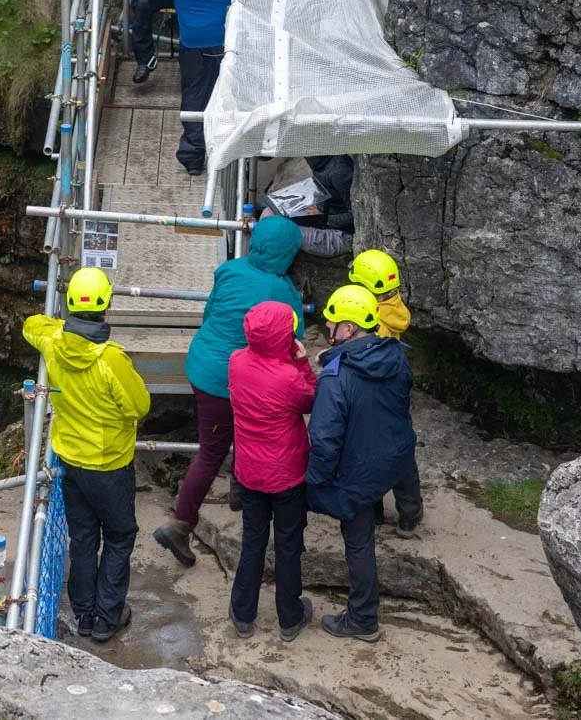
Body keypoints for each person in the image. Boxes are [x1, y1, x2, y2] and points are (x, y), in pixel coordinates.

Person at [153, 216, 304, 566]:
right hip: (229, 379)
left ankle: (239, 490)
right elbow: (293, 332)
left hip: (204, 361)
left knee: (237, 429)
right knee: (212, 452)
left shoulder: (230, 269)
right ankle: (180, 524)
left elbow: (209, 312)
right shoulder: (280, 291)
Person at [22, 266, 151, 642]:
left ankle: (84, 615)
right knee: (119, 535)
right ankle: (109, 617)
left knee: (82, 539)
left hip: (70, 460)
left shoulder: (55, 343)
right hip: (110, 464)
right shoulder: (110, 359)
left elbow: (32, 325)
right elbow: (138, 406)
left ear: (68, 303)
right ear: (107, 304)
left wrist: (56, 326)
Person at [306, 284, 420, 642]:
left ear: (349, 329)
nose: (328, 328)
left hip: (358, 467)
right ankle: (404, 515)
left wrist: (315, 483)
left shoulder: (336, 378)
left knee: (358, 542)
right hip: (394, 455)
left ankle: (363, 619)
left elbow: (324, 440)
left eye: (333, 323)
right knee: (368, 505)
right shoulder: (395, 353)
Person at [227, 301, 317, 641]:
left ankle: (243, 613)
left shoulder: (236, 363)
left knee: (253, 540)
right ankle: (289, 617)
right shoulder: (289, 378)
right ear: (286, 337)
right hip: (287, 474)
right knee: (288, 544)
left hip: (249, 471)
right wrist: (302, 361)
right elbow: (311, 399)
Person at [150, 0, 232, 175]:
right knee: (228, 90)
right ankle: (232, 149)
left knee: (195, 93)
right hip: (225, 34)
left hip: (191, 37)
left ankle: (193, 156)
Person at [348, 250, 423, 536]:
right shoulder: (394, 307)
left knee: (367, 454)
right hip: (393, 394)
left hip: (368, 395)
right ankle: (409, 516)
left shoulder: (366, 317)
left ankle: (374, 513)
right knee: (402, 456)